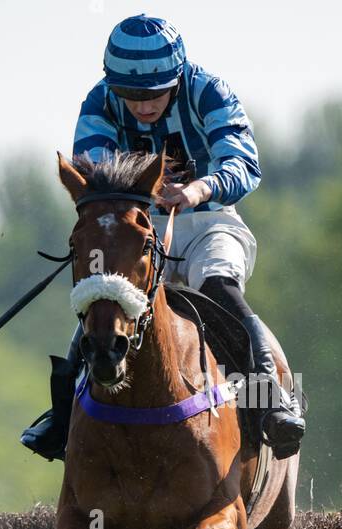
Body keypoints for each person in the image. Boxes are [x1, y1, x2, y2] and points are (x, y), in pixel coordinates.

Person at [21, 13, 305, 461]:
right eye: (131, 94)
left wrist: (196, 190)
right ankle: (61, 420)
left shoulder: (209, 91)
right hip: (139, 230)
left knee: (218, 290)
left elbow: (244, 165)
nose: (143, 105)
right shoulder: (100, 101)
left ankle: (271, 403)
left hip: (211, 221)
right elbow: (94, 176)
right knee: (103, 304)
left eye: (154, 93)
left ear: (177, 77)